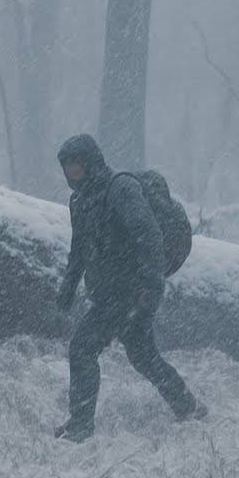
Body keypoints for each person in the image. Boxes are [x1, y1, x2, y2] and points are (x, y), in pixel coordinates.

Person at [54, 134, 205, 443]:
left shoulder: (121, 189)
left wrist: (151, 286)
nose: (72, 174)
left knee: (82, 349)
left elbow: (149, 235)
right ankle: (188, 406)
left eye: (77, 167)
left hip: (130, 292)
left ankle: (80, 426)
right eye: (67, 169)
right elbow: (79, 247)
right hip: (111, 292)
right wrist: (69, 285)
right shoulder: (79, 201)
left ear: (91, 163)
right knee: (142, 354)